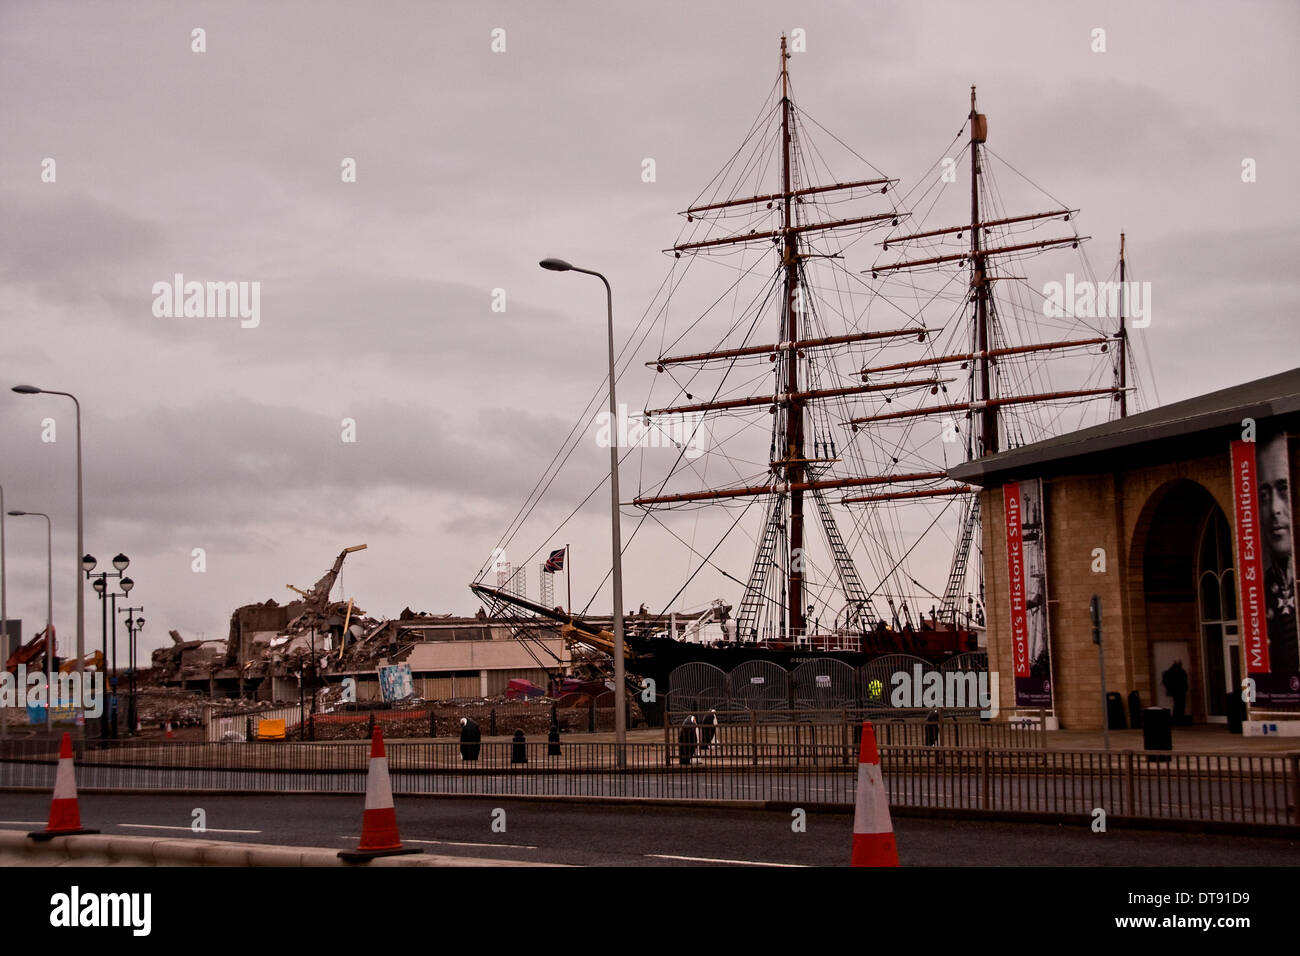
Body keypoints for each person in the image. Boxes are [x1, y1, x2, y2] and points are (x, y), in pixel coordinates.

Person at [1161, 660, 1189, 724]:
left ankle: (1176, 719)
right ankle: (1179, 719)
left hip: (1175, 691)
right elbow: (1184, 680)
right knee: (1180, 705)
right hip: (1180, 691)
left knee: (1177, 705)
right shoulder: (1179, 671)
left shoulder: (1172, 671)